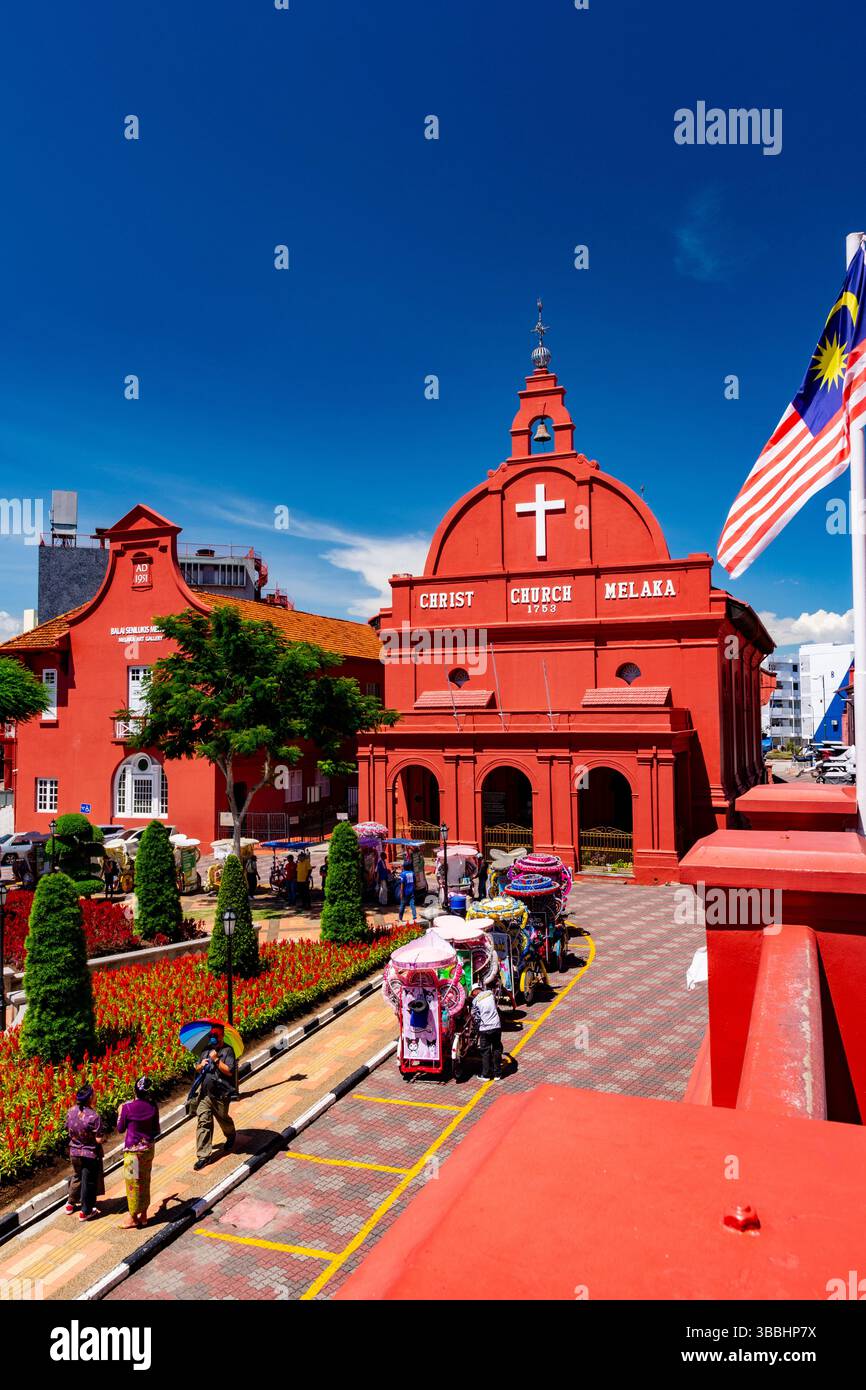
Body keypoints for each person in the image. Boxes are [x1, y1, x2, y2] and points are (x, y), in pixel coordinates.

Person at [117, 1075, 160, 1229]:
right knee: (145, 1180)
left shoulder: (127, 1108)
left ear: (134, 1091)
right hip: (148, 1150)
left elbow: (120, 1128)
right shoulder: (153, 1106)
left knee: (132, 1184)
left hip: (132, 1155)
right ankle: (144, 1215)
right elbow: (156, 1130)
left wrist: (119, 1112)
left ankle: (133, 1217)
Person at [193, 1027, 237, 1170]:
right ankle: (203, 1156)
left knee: (223, 1119)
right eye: (212, 1037)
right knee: (203, 1121)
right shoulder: (206, 1050)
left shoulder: (228, 1051)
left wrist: (216, 1060)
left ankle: (231, 1134)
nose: (213, 1041)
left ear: (222, 1037)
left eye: (216, 1038)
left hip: (220, 1096)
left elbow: (229, 1071)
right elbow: (197, 1067)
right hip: (205, 1094)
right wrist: (201, 1066)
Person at [64, 1084, 105, 1221]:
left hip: (74, 1152)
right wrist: (101, 1139)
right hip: (89, 1154)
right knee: (89, 1181)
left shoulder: (70, 1111)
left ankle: (70, 1204)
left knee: (77, 1176)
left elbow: (66, 1128)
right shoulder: (94, 1116)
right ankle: (85, 1211)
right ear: (90, 1099)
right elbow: (99, 1139)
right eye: (94, 1094)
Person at [471, 986, 504, 1081]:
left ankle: (485, 1075)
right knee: (497, 1048)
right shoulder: (490, 993)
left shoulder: (475, 1001)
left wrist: (477, 1028)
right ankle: (498, 1074)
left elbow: (475, 1016)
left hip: (485, 1028)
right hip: (496, 1026)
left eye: (473, 994)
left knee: (485, 1051)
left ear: (475, 992)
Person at [398, 856, 417, 923]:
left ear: (404, 867)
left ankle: (400, 918)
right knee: (412, 904)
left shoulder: (403, 874)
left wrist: (401, 893)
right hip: (411, 891)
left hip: (405, 892)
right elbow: (415, 882)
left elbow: (402, 884)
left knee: (402, 905)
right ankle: (414, 917)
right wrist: (414, 888)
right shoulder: (412, 873)